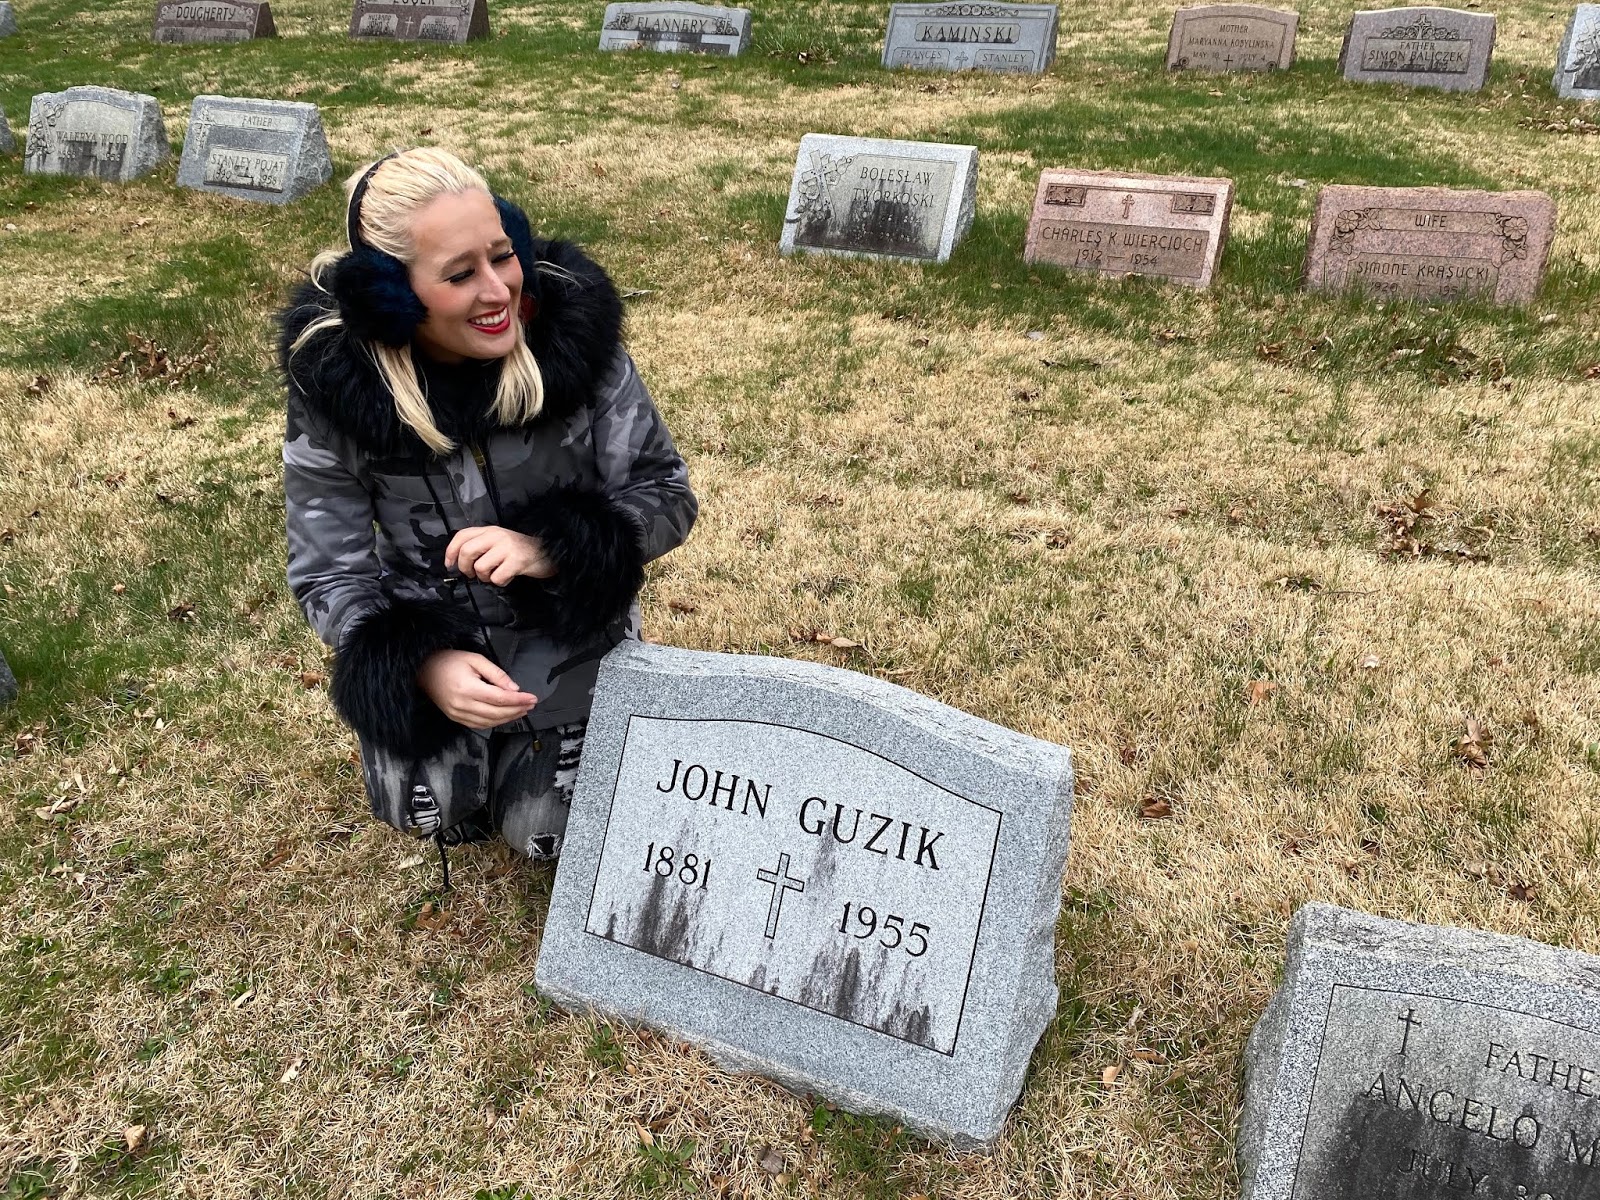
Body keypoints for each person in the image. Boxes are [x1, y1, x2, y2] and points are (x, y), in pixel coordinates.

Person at [276, 147, 697, 874]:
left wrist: (554, 549)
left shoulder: (575, 342)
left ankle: (567, 740)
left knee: (545, 835)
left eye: (503, 256)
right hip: (438, 644)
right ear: (391, 294)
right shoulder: (336, 389)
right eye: (460, 274)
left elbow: (666, 493)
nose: (499, 288)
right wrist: (421, 665)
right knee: (428, 805)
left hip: (571, 647)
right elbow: (326, 572)